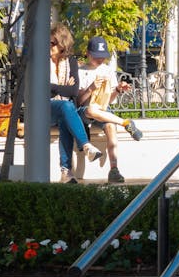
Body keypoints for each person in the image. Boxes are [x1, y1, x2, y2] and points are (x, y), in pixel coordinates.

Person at [77, 36, 144, 183]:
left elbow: (109, 99)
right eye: (97, 56)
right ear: (88, 53)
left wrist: (119, 90)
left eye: (103, 57)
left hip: (103, 109)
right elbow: (78, 101)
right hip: (86, 110)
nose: (100, 60)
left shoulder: (107, 70)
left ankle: (114, 169)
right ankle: (126, 123)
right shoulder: (80, 71)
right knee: (91, 110)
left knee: (110, 127)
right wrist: (91, 88)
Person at [48, 24, 105, 183]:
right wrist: (61, 88)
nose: (49, 46)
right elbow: (42, 89)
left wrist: (55, 89)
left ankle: (66, 172)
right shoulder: (42, 62)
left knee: (65, 113)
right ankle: (86, 146)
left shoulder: (71, 61)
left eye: (53, 43)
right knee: (66, 107)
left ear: (62, 44)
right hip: (44, 109)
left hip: (62, 110)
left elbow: (73, 91)